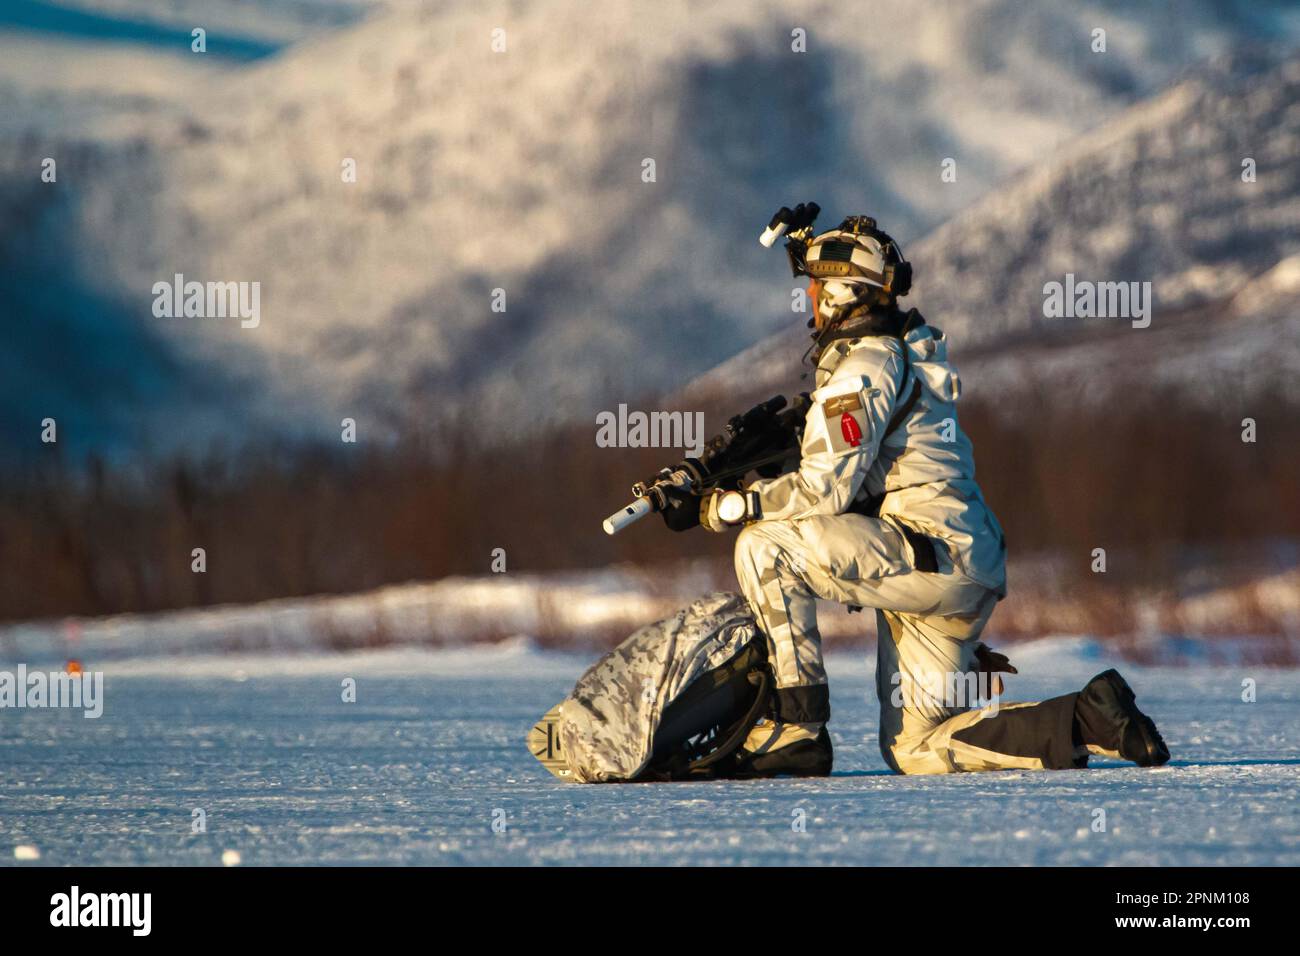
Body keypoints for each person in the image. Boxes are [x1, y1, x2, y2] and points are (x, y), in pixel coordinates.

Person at [699, 214, 1169, 777]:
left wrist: (734, 506)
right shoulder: (899, 355)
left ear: (845, 292)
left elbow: (825, 488)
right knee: (916, 748)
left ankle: (796, 727)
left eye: (817, 290)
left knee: (762, 546)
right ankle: (1088, 721)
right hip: (954, 562)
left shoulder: (866, 365)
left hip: (928, 552)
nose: (810, 304)